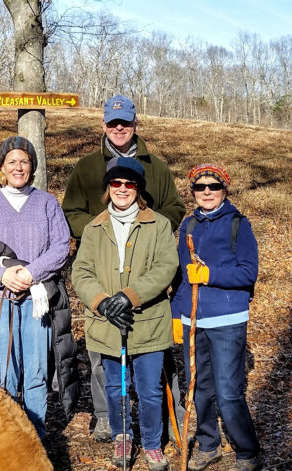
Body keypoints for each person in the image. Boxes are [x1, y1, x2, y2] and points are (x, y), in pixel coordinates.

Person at [62, 94, 186, 442]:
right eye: (113, 123)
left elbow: (174, 208)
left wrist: (149, 228)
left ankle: (164, 422)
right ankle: (107, 418)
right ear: (103, 125)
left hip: (146, 271)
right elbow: (70, 212)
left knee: (153, 357)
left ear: (135, 125)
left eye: (125, 123)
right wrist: (102, 231)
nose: (119, 129)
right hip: (101, 268)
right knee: (104, 358)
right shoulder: (86, 167)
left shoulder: (156, 167)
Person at [0, 136, 75, 439]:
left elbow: (61, 245)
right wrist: (2, 276)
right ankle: (9, 435)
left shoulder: (47, 203)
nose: (18, 167)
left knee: (36, 371)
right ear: (1, 167)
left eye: (24, 161)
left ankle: (35, 434)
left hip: (37, 300)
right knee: (6, 371)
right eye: (11, 161)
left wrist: (30, 272)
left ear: (32, 166)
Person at [72, 157, 178, 470]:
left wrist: (129, 297)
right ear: (108, 188)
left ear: (138, 188)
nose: (122, 189)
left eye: (129, 183)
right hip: (107, 324)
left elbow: (165, 268)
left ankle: (152, 444)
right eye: (116, 183)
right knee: (116, 387)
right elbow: (81, 272)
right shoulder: (93, 228)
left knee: (148, 389)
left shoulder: (159, 225)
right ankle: (122, 436)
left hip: (147, 322)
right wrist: (103, 302)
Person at [171, 164, 261, 471]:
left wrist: (210, 275)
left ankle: (248, 450)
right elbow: (182, 277)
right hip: (194, 319)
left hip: (228, 318)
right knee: (198, 389)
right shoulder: (187, 226)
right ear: (192, 192)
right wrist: (176, 315)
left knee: (227, 391)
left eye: (213, 186)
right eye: (200, 187)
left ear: (224, 190)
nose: (206, 192)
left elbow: (249, 272)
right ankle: (209, 445)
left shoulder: (238, 223)